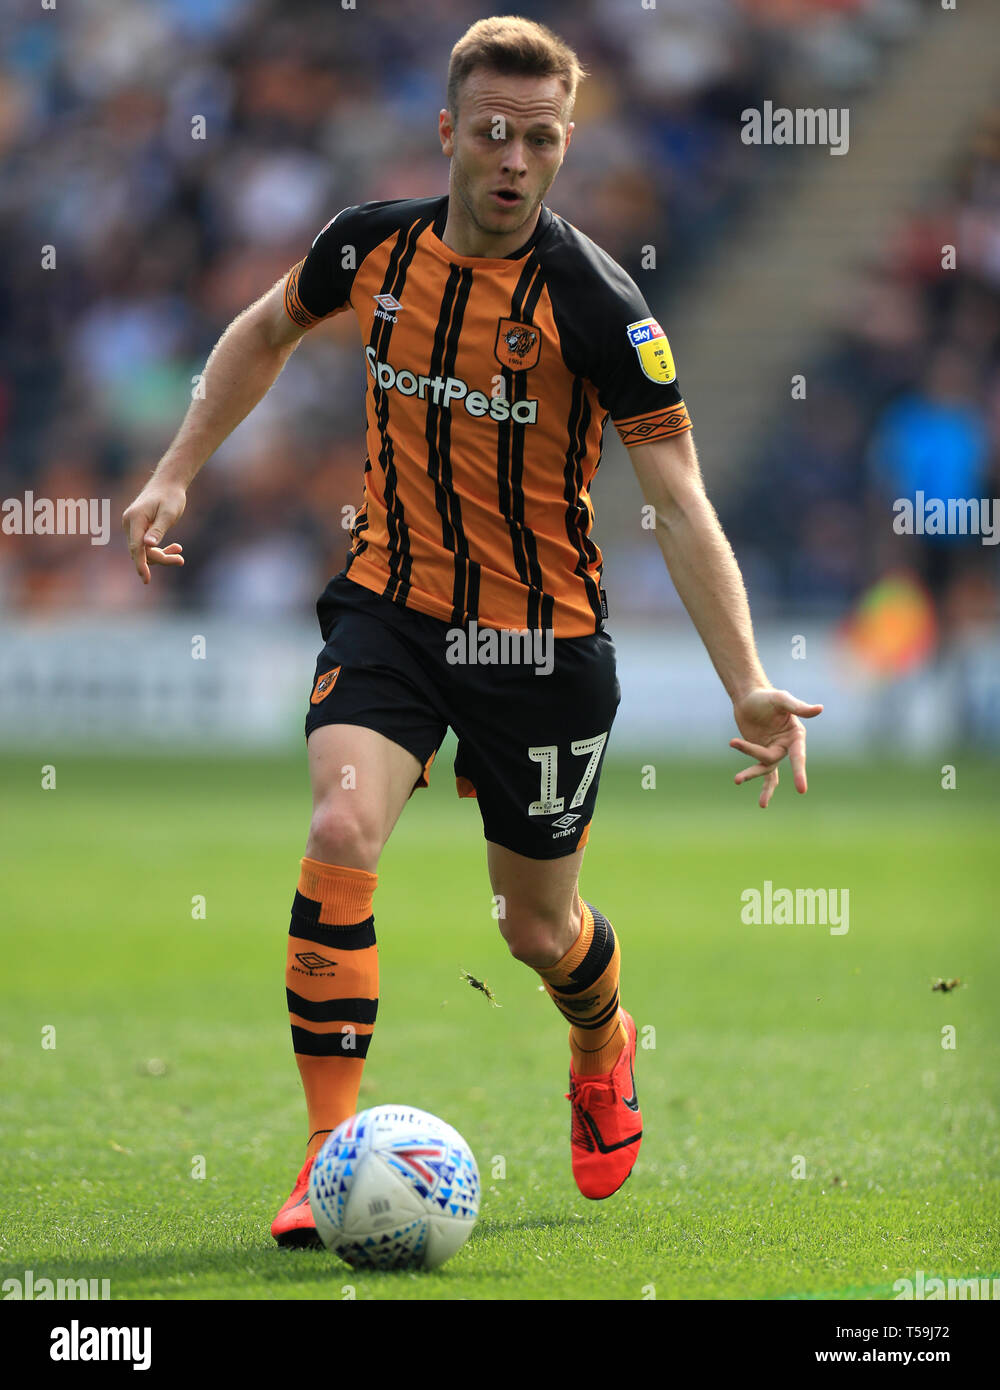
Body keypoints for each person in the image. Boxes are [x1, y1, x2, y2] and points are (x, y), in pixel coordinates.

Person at [122, 16, 822, 1247]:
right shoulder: (370, 246)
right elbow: (263, 329)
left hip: (542, 645)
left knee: (535, 929)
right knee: (341, 826)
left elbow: (678, 499)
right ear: (449, 131)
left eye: (541, 139)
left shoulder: (599, 305)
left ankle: (602, 1037)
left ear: (564, 147)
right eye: (492, 132)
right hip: (390, 608)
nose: (513, 158)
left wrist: (749, 682)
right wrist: (180, 468)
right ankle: (323, 1153)